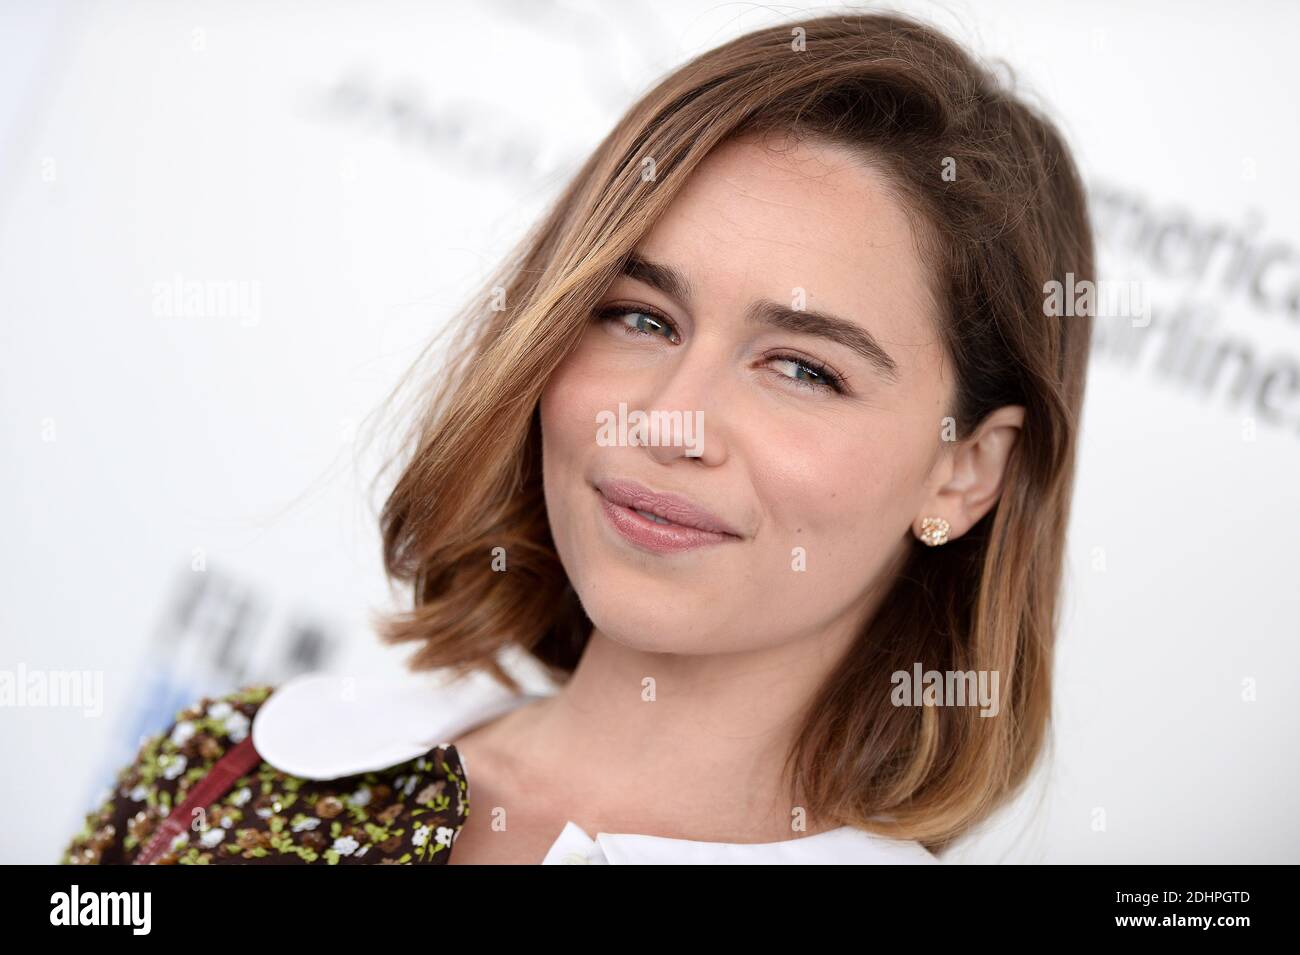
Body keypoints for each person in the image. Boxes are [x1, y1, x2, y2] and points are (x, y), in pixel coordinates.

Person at [62, 9, 1094, 865]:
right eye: (640, 316)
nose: (664, 419)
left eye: (802, 368)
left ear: (963, 472)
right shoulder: (231, 765)